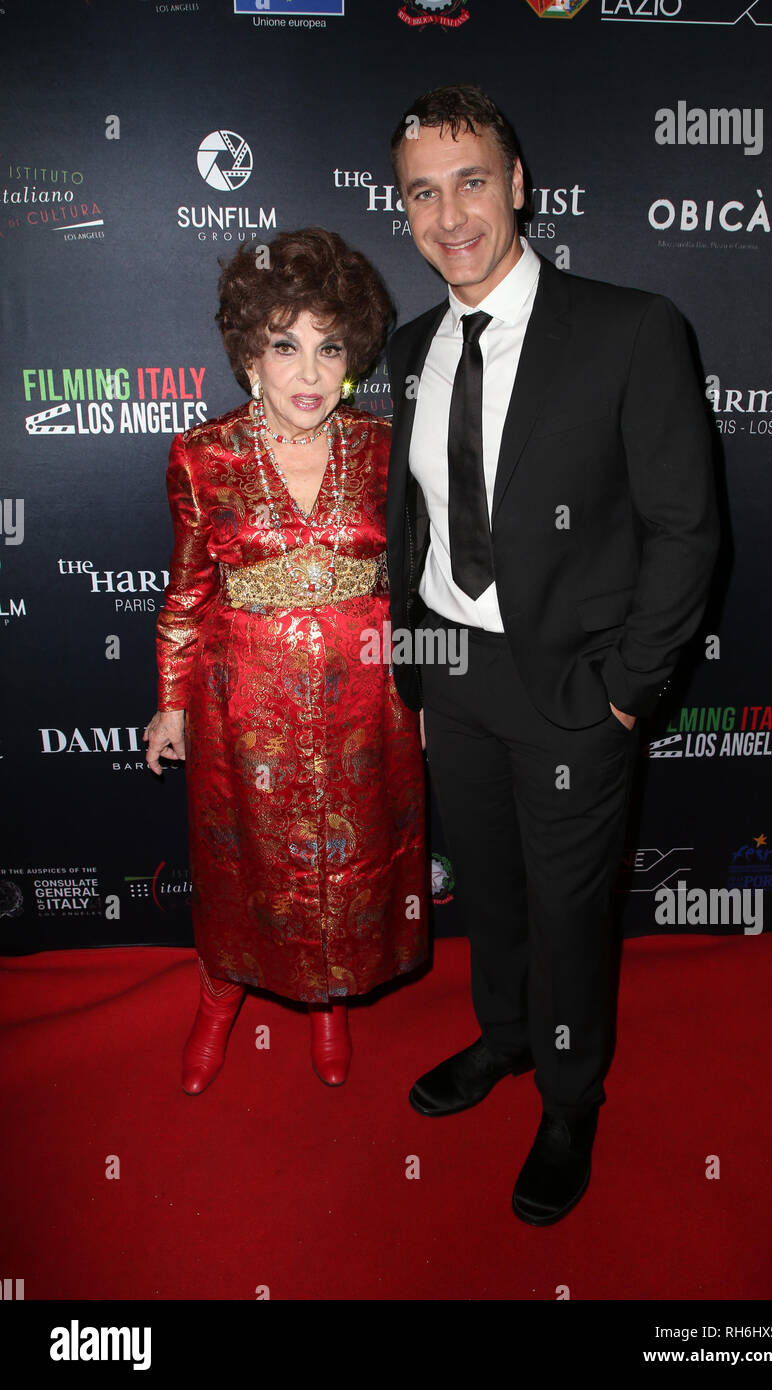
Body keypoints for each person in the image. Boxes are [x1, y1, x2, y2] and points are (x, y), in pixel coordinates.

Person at [386, 86, 719, 1225]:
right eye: (423, 193)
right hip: (457, 677)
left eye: (471, 181)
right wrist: (420, 676)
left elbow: (688, 528)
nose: (451, 215)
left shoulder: (630, 328)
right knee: (489, 884)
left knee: (572, 911)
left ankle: (571, 1098)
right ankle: (507, 1037)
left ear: (519, 182)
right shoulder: (410, 346)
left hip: (577, 690)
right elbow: (417, 530)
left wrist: (628, 693)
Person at [144, 228, 427, 1096]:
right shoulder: (203, 456)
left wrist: (435, 693)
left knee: (352, 862)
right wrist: (171, 702)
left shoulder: (387, 450)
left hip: (367, 704)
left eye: (329, 346)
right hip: (244, 708)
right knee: (244, 865)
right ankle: (220, 995)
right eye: (285, 345)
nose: (309, 372)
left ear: (353, 355)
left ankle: (329, 1000)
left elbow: (423, 587)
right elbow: (189, 593)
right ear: (249, 355)